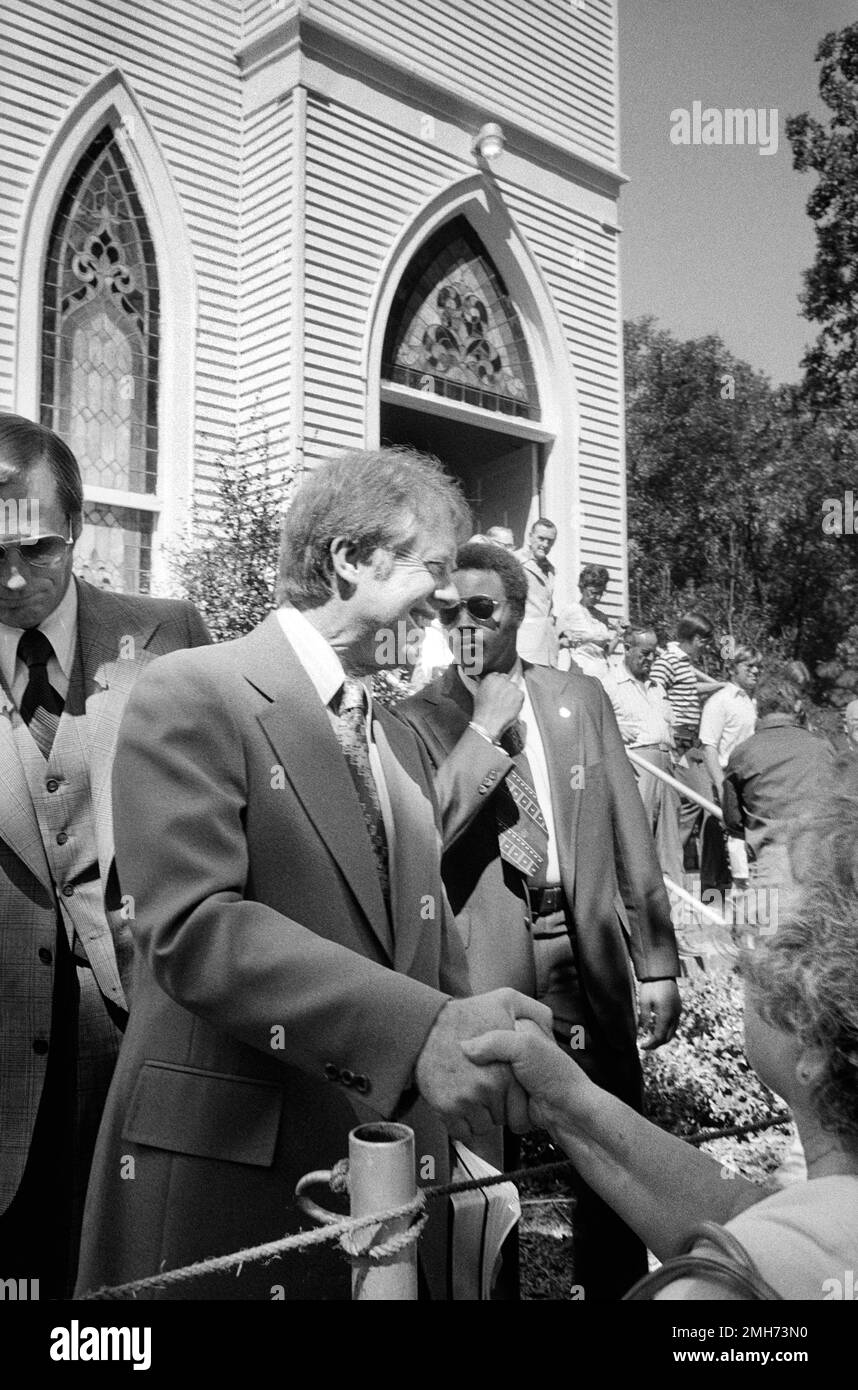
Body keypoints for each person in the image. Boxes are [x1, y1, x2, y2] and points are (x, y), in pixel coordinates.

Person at [74, 447, 550, 1301]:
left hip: (380, 1197)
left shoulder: (396, 734)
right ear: (349, 560)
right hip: (227, 1187)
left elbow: (424, 939)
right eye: (433, 569)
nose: (449, 602)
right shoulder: (194, 691)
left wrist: (475, 1050)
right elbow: (192, 930)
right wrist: (421, 1032)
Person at [397, 542, 682, 1300]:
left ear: (516, 613)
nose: (463, 624)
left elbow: (628, 828)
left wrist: (656, 962)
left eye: (481, 609)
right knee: (491, 1169)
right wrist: (483, 733)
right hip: (487, 963)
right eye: (446, 609)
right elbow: (423, 837)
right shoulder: (418, 716)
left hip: (582, 951)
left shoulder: (577, 696)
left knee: (611, 1143)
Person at [462, 757, 858, 1300]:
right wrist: (569, 1102)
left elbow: (764, 1248)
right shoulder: (816, 1228)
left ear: (814, 1040)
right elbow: (744, 1212)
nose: (743, 926)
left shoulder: (729, 1289)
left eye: (762, 940)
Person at [0, 414, 210, 1298]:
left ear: (78, 528)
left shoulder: (168, 640)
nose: (12, 576)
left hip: (141, 1040)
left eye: (37, 547)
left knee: (131, 1292)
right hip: (7, 1060)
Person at [722, 675, 836, 904]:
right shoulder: (823, 748)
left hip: (770, 862)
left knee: (768, 933)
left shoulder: (743, 753)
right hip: (818, 863)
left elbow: (732, 820)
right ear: (797, 707)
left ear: (758, 709)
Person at [602, 625, 683, 887]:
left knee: (670, 838)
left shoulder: (657, 685)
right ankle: (640, 901)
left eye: (653, 654)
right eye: (645, 653)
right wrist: (613, 727)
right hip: (638, 766)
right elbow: (593, 727)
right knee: (639, 835)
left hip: (666, 762)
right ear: (626, 649)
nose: (650, 660)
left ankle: (676, 905)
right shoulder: (609, 683)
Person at [650, 612, 724, 887]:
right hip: (675, 743)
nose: (705, 647)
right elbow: (654, 691)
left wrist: (720, 686)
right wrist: (667, 731)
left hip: (688, 744)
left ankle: (673, 866)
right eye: (704, 641)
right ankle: (667, 869)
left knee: (695, 801)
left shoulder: (683, 663)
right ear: (693, 639)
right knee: (698, 799)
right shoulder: (668, 660)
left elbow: (690, 689)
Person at [699, 644, 761, 887]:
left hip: (752, 777)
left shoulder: (754, 702)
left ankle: (744, 890)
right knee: (720, 833)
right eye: (749, 666)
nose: (755, 671)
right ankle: (712, 894)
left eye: (758, 666)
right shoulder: (720, 701)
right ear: (733, 669)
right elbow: (709, 747)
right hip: (727, 776)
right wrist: (720, 785)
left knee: (745, 836)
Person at [558, 564, 624, 680]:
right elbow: (555, 644)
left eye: (600, 593)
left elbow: (605, 652)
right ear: (582, 588)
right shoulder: (571, 611)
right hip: (580, 673)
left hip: (603, 674)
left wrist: (618, 635)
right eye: (593, 592)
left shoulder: (602, 617)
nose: (597, 598)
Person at [515, 517, 559, 666]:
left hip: (548, 647)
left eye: (550, 541)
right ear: (530, 536)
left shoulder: (550, 569)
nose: (545, 545)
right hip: (526, 644)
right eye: (541, 539)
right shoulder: (516, 562)